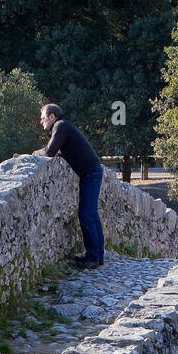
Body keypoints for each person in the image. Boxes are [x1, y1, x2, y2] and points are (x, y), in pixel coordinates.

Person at [36, 104, 104, 270]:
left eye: (43, 117)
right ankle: (97, 255)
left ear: (52, 117)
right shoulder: (64, 127)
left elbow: (49, 152)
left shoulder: (61, 126)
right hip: (93, 171)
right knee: (92, 215)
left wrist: (34, 154)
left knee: (87, 215)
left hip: (90, 173)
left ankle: (93, 257)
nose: (41, 121)